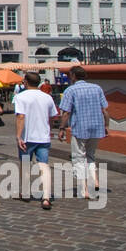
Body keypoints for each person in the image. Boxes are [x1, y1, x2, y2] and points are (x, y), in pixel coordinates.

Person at [58, 65, 110, 200]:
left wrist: (62, 128)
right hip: (97, 127)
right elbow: (105, 110)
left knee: (79, 158)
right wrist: (106, 125)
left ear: (73, 76)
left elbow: (66, 112)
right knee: (91, 155)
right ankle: (95, 181)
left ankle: (84, 189)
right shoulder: (97, 88)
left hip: (80, 128)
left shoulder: (71, 90)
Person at [15, 71, 59, 210]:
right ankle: (46, 197)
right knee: (44, 166)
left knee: (25, 164)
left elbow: (20, 117)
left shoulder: (20, 97)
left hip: (28, 137)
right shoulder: (47, 97)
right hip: (43, 137)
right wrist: (49, 130)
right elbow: (52, 117)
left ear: (25, 82)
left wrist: (18, 136)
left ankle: (26, 193)